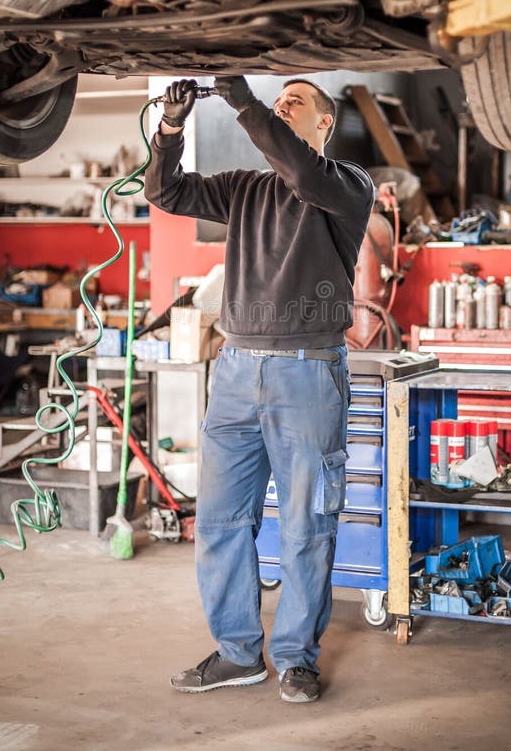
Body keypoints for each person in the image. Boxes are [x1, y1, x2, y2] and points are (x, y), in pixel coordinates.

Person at [145, 75, 374, 702]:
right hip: (237, 371)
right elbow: (163, 191)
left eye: (296, 102)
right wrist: (171, 128)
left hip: (307, 371)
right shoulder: (245, 189)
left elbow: (302, 173)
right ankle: (238, 652)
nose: (282, 106)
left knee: (306, 524)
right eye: (279, 101)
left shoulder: (346, 186)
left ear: (324, 126)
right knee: (220, 520)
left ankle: (297, 657)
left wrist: (246, 103)